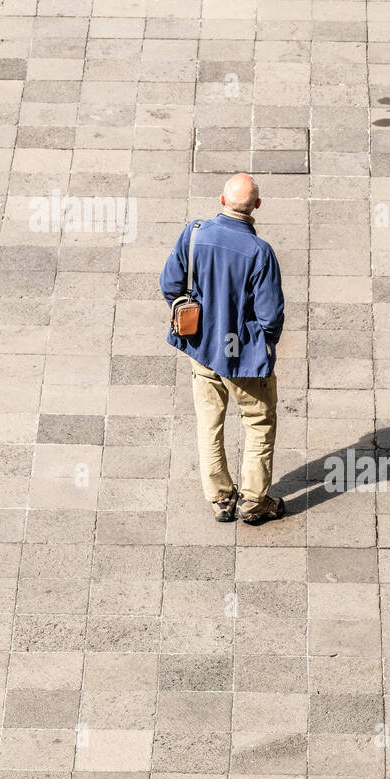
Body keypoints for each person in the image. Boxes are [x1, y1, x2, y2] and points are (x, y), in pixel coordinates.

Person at [159, 173, 285, 525]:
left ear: (222, 200)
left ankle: (220, 498)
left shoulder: (195, 233)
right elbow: (270, 316)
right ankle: (254, 502)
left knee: (209, 425)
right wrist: (260, 346)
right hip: (243, 359)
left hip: (203, 350)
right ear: (256, 206)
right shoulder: (260, 253)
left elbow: (170, 284)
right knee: (258, 423)